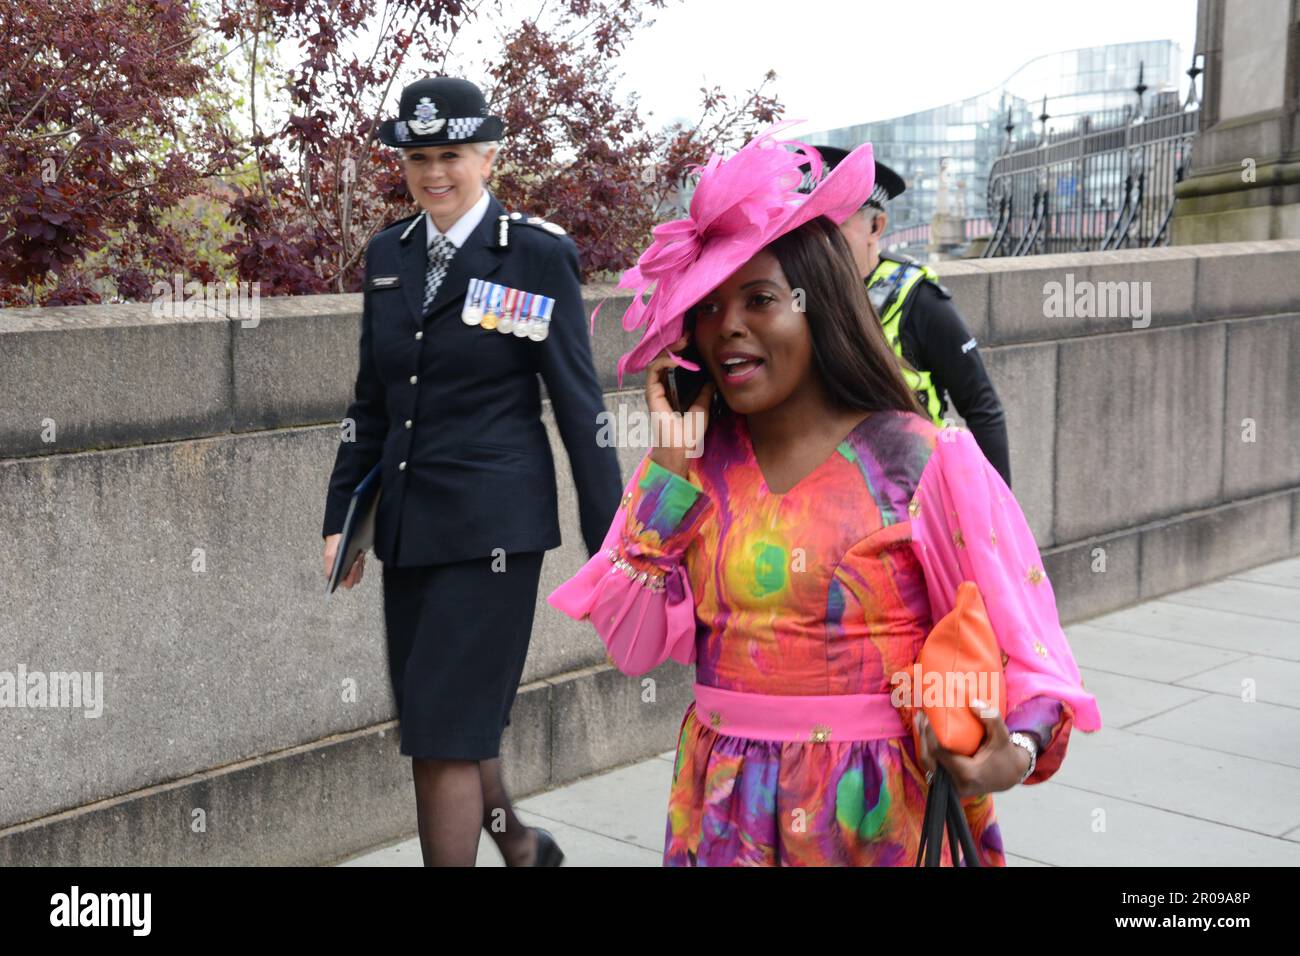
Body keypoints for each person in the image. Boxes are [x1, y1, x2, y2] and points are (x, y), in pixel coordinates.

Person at [548, 126, 1100, 866]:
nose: (727, 327)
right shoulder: (692, 469)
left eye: (759, 299)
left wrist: (1015, 751)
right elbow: (634, 645)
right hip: (724, 820)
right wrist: (668, 473)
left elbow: (1027, 650)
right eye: (707, 307)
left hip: (875, 822)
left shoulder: (920, 460)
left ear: (821, 305)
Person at [321, 77, 622, 866]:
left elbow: (578, 404)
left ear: (488, 155)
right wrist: (341, 518)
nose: (434, 173)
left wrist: (614, 544)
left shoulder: (535, 255)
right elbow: (372, 398)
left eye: (451, 154)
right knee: (448, 716)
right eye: (418, 157)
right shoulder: (389, 254)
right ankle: (520, 847)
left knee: (439, 739)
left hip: (494, 528)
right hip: (409, 527)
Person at [802, 146, 1012, 486]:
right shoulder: (797, 297)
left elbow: (981, 406)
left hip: (914, 495)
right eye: (811, 227)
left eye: (835, 227)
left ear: (876, 226)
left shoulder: (920, 299)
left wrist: (996, 516)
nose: (821, 244)